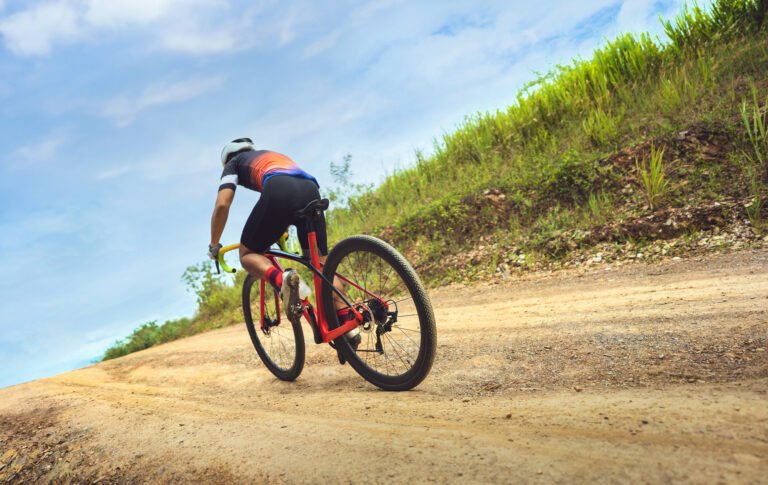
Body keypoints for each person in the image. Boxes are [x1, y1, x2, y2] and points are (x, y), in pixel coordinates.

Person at [207, 138, 360, 342]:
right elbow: (290, 192)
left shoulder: (233, 164)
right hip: (311, 189)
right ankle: (347, 322)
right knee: (321, 264)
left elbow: (222, 205)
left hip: (280, 190)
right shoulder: (270, 156)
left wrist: (214, 244)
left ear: (227, 159)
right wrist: (282, 227)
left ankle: (283, 280)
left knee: (247, 254)